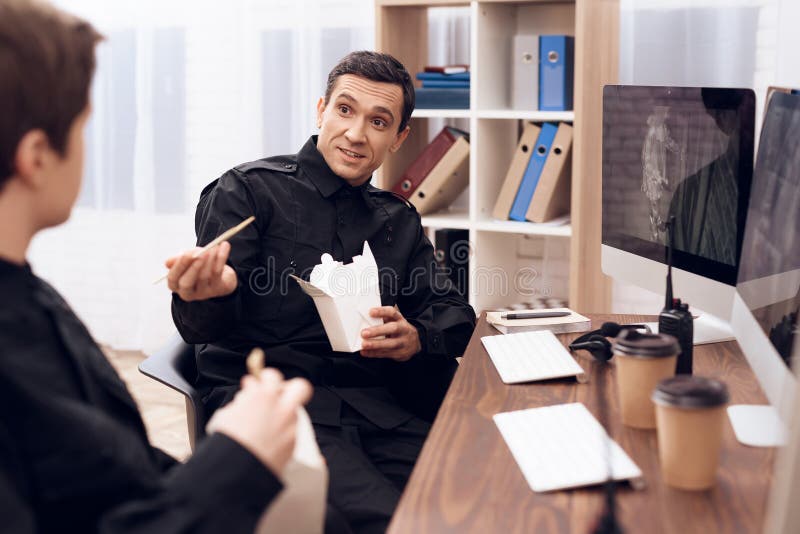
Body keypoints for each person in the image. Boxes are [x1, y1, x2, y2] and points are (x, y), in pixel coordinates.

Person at [0, 1, 313, 532]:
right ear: (36, 156)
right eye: (82, 128)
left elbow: (110, 478)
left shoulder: (29, 298)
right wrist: (237, 458)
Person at [167, 50, 477, 532]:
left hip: (381, 409)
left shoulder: (397, 219)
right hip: (281, 410)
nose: (355, 134)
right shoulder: (247, 191)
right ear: (321, 110)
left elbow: (454, 312)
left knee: (473, 497)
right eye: (345, 110)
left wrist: (416, 336)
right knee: (395, 521)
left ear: (399, 138)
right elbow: (202, 330)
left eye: (378, 121)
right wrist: (209, 294)